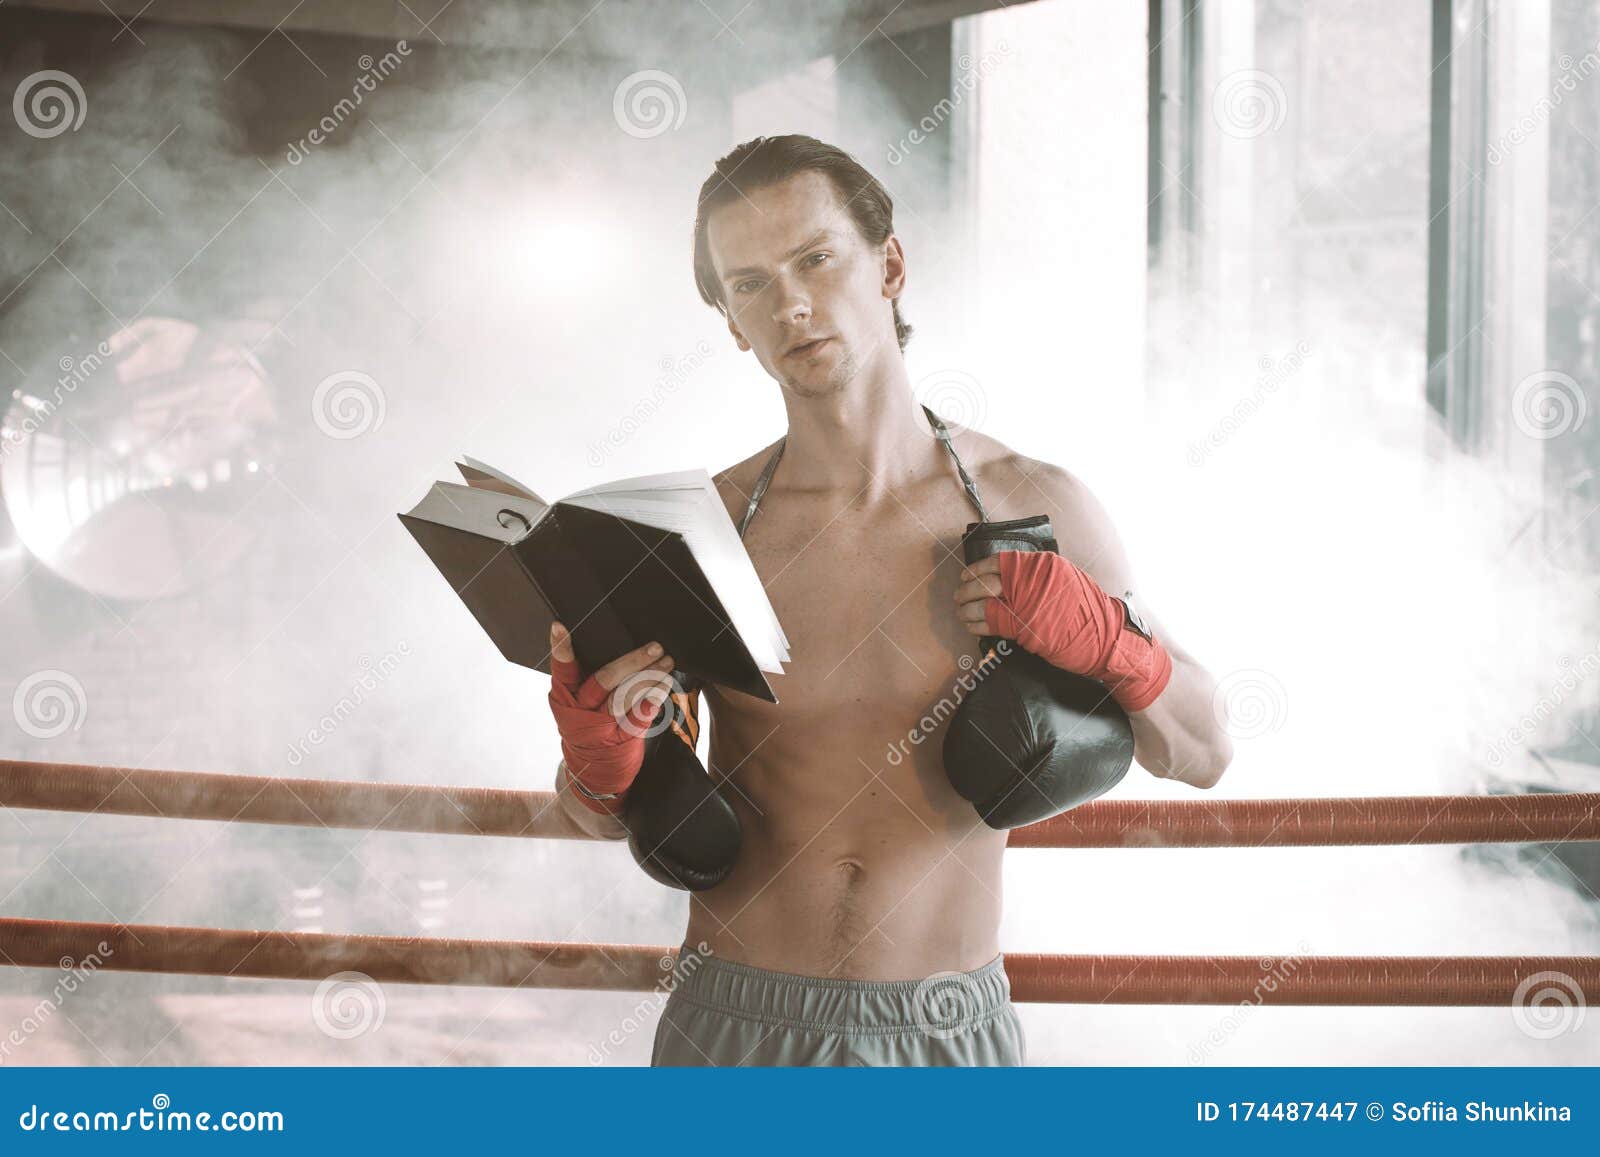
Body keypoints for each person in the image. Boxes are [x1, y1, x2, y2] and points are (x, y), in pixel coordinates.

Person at [547, 134, 1234, 1066]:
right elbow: (589, 814)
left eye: (816, 259)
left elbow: (1201, 751)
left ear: (891, 265)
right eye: (748, 284)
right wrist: (598, 755)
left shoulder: (1033, 504)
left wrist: (1116, 644)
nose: (789, 301)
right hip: (732, 1029)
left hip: (940, 1039)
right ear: (732, 324)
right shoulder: (702, 538)